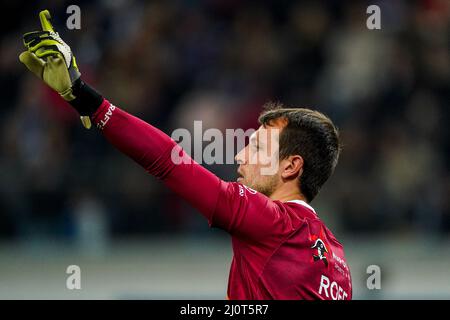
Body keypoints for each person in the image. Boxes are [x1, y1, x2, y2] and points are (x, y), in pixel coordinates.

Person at [19, 10, 352, 300]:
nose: (240, 157)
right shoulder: (337, 262)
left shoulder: (272, 222)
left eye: (258, 148)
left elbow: (169, 161)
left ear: (291, 167)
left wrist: (82, 96)